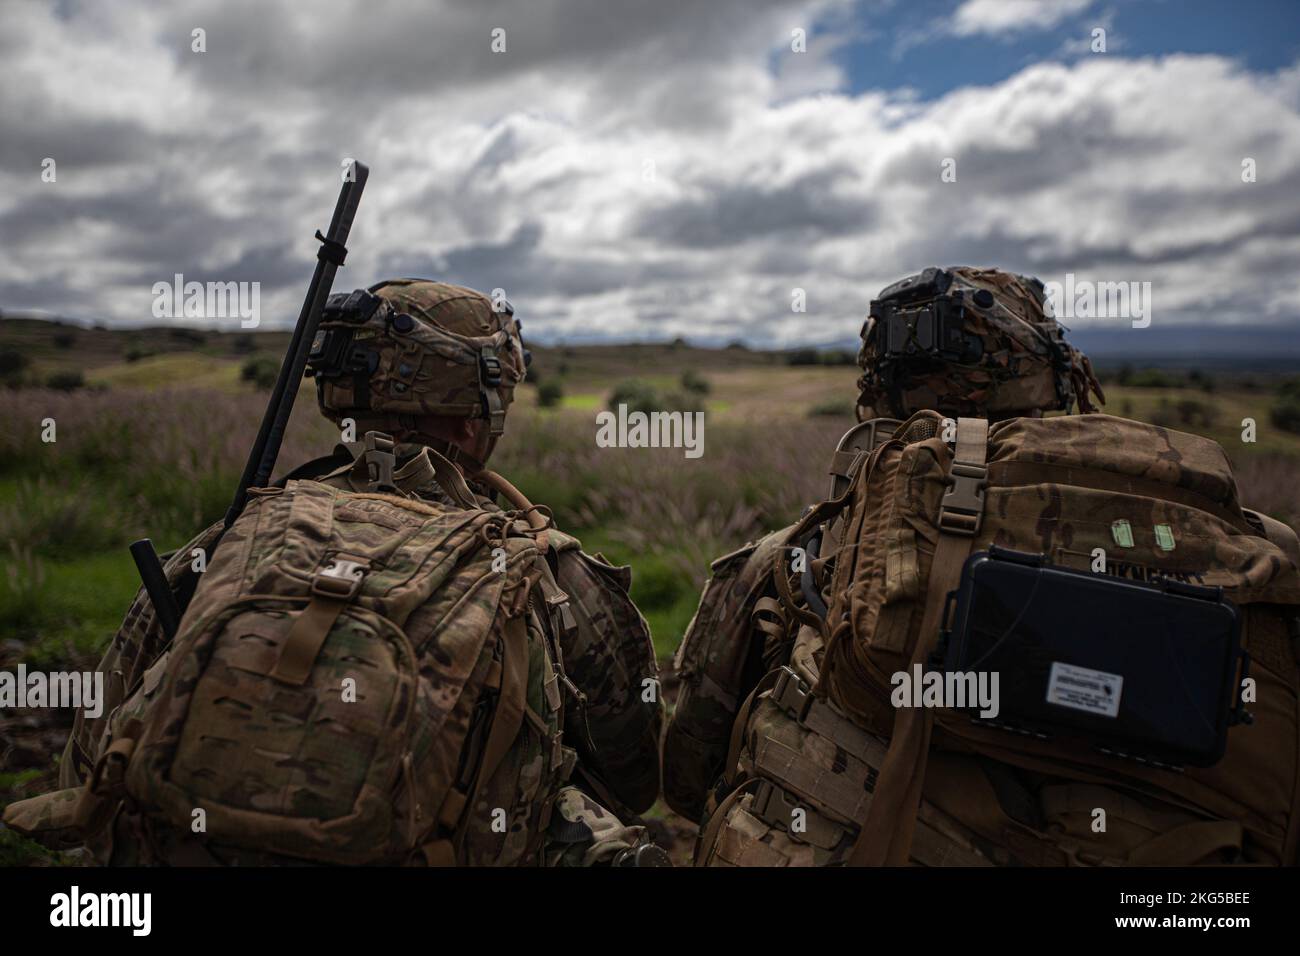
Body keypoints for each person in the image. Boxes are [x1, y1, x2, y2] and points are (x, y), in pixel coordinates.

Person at [665, 265, 1300, 866]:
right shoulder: (1257, 567)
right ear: (1054, 389)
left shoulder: (792, 558)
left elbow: (687, 779)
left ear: (877, 393)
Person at [38, 278, 666, 866]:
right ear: (478, 416)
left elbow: (86, 769)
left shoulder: (224, 547)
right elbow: (635, 776)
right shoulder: (550, 571)